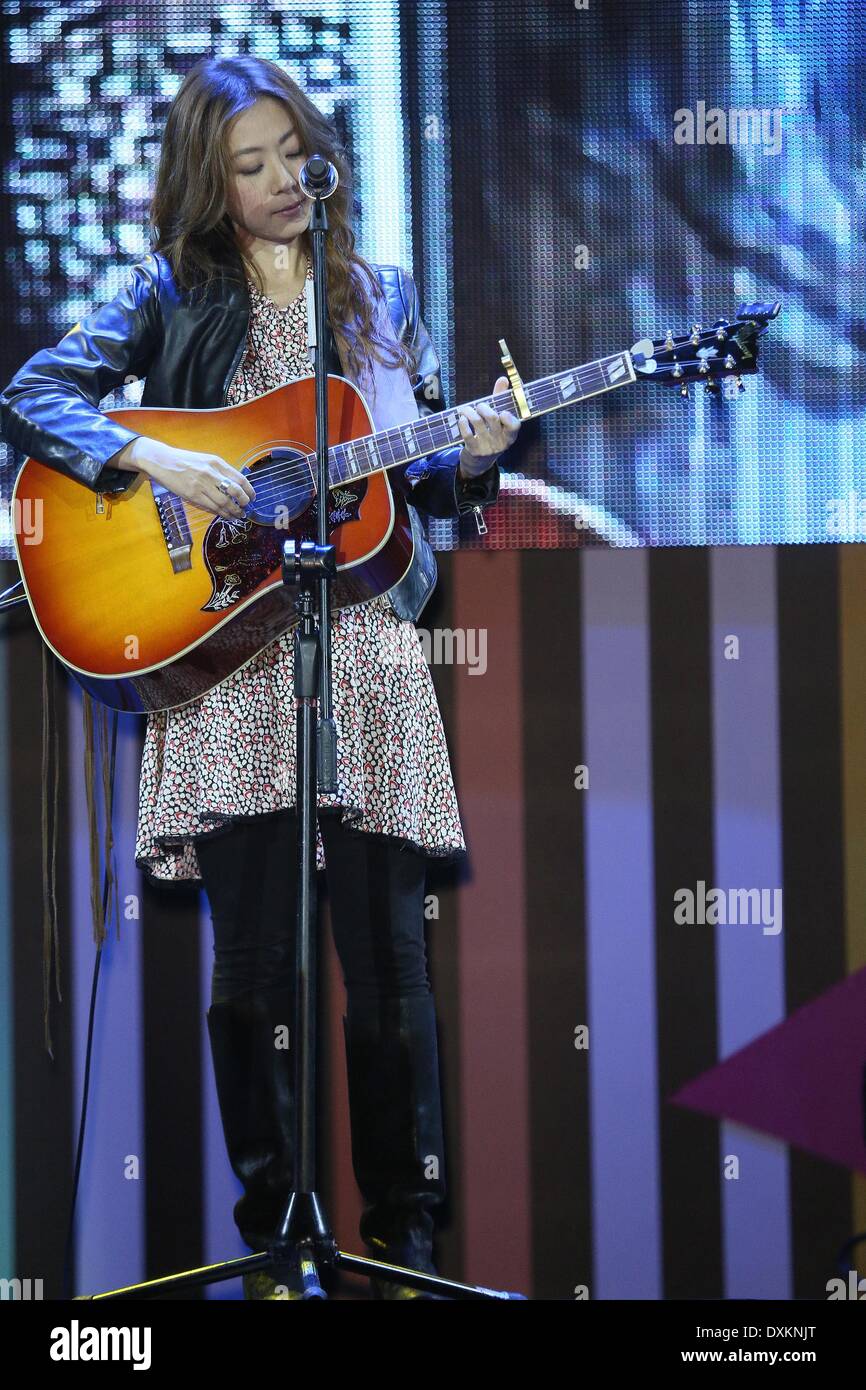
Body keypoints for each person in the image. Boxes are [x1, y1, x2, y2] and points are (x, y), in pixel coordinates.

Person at [0, 54, 520, 1299]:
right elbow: (32, 393)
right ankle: (279, 1242)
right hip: (229, 655)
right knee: (256, 970)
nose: (283, 179)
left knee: (391, 959)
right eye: (249, 165)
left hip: (369, 653)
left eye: (294, 151)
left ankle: (401, 1244)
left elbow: (424, 485)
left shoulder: (381, 296)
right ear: (207, 181)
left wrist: (480, 452)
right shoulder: (170, 288)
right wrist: (148, 462)